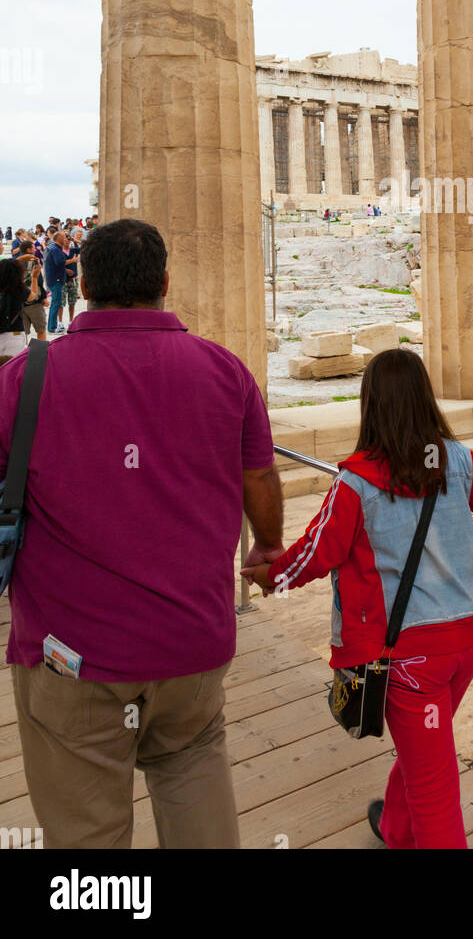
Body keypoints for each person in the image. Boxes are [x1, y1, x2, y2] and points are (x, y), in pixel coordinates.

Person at [243, 347, 473, 850]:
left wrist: (272, 576)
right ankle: (397, 831)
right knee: (428, 749)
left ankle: (414, 829)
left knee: (434, 788)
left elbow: (317, 553)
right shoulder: (459, 462)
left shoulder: (355, 482)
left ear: (370, 405)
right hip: (467, 640)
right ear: (425, 398)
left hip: (408, 658)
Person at [0, 218, 284, 849]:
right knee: (193, 769)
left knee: (86, 834)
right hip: (192, 644)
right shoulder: (224, 370)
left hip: (69, 653)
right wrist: (267, 546)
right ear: (163, 283)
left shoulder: (26, 377)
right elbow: (259, 475)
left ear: (83, 280)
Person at [17, 241, 47, 342]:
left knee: (22, 333)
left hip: (19, 302)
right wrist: (44, 297)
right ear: (28, 250)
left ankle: (21, 354)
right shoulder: (33, 260)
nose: (35, 250)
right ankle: (40, 354)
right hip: (34, 301)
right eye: (33, 248)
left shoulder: (15, 262)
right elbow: (39, 280)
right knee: (41, 330)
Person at [0, 259, 28, 366]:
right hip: (15, 334)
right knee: (12, 369)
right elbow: (33, 297)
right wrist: (34, 278)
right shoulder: (20, 289)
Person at [44, 229, 68, 335]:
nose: (66, 239)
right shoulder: (55, 249)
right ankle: (52, 328)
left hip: (53, 279)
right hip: (56, 280)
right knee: (56, 303)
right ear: (59, 238)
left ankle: (51, 327)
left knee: (55, 303)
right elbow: (59, 262)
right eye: (64, 237)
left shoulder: (53, 247)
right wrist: (71, 261)